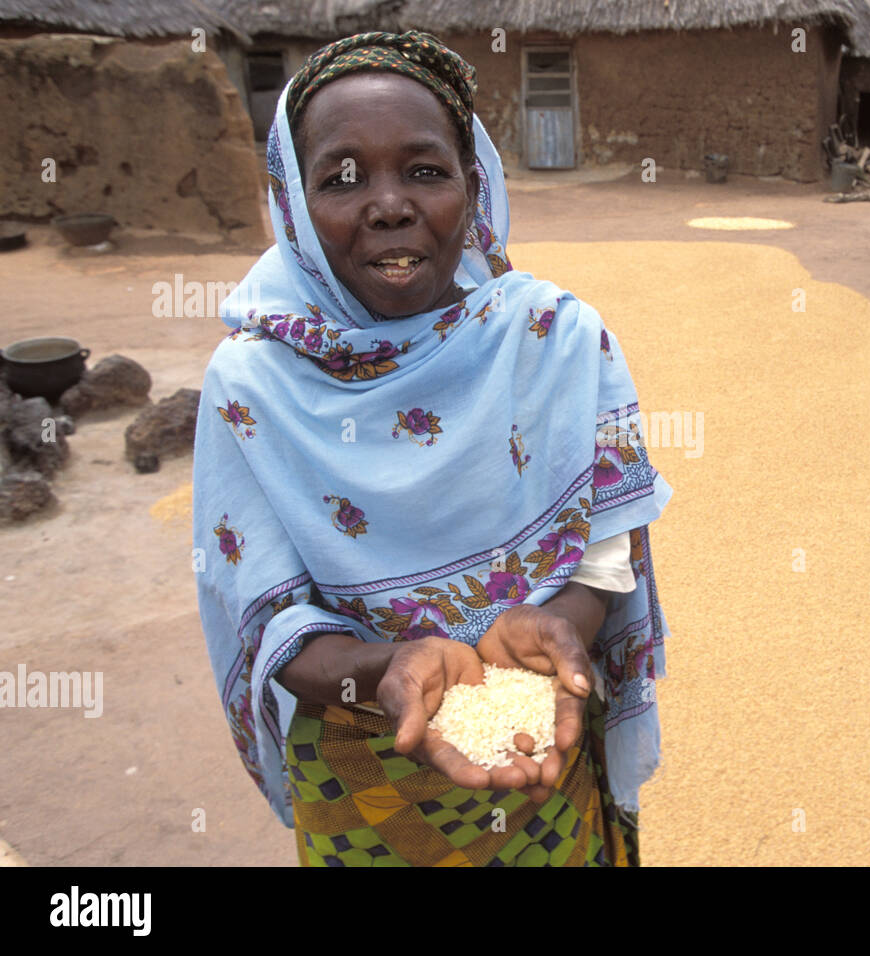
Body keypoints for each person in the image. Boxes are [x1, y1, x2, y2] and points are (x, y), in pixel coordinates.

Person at [192, 30, 672, 867]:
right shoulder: (250, 386)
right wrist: (389, 666)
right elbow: (271, 619)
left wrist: (553, 629)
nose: (387, 205)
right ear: (294, 206)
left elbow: (606, 552)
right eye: (341, 178)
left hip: (540, 744)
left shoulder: (554, 338)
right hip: (359, 776)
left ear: (473, 186)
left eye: (424, 170)